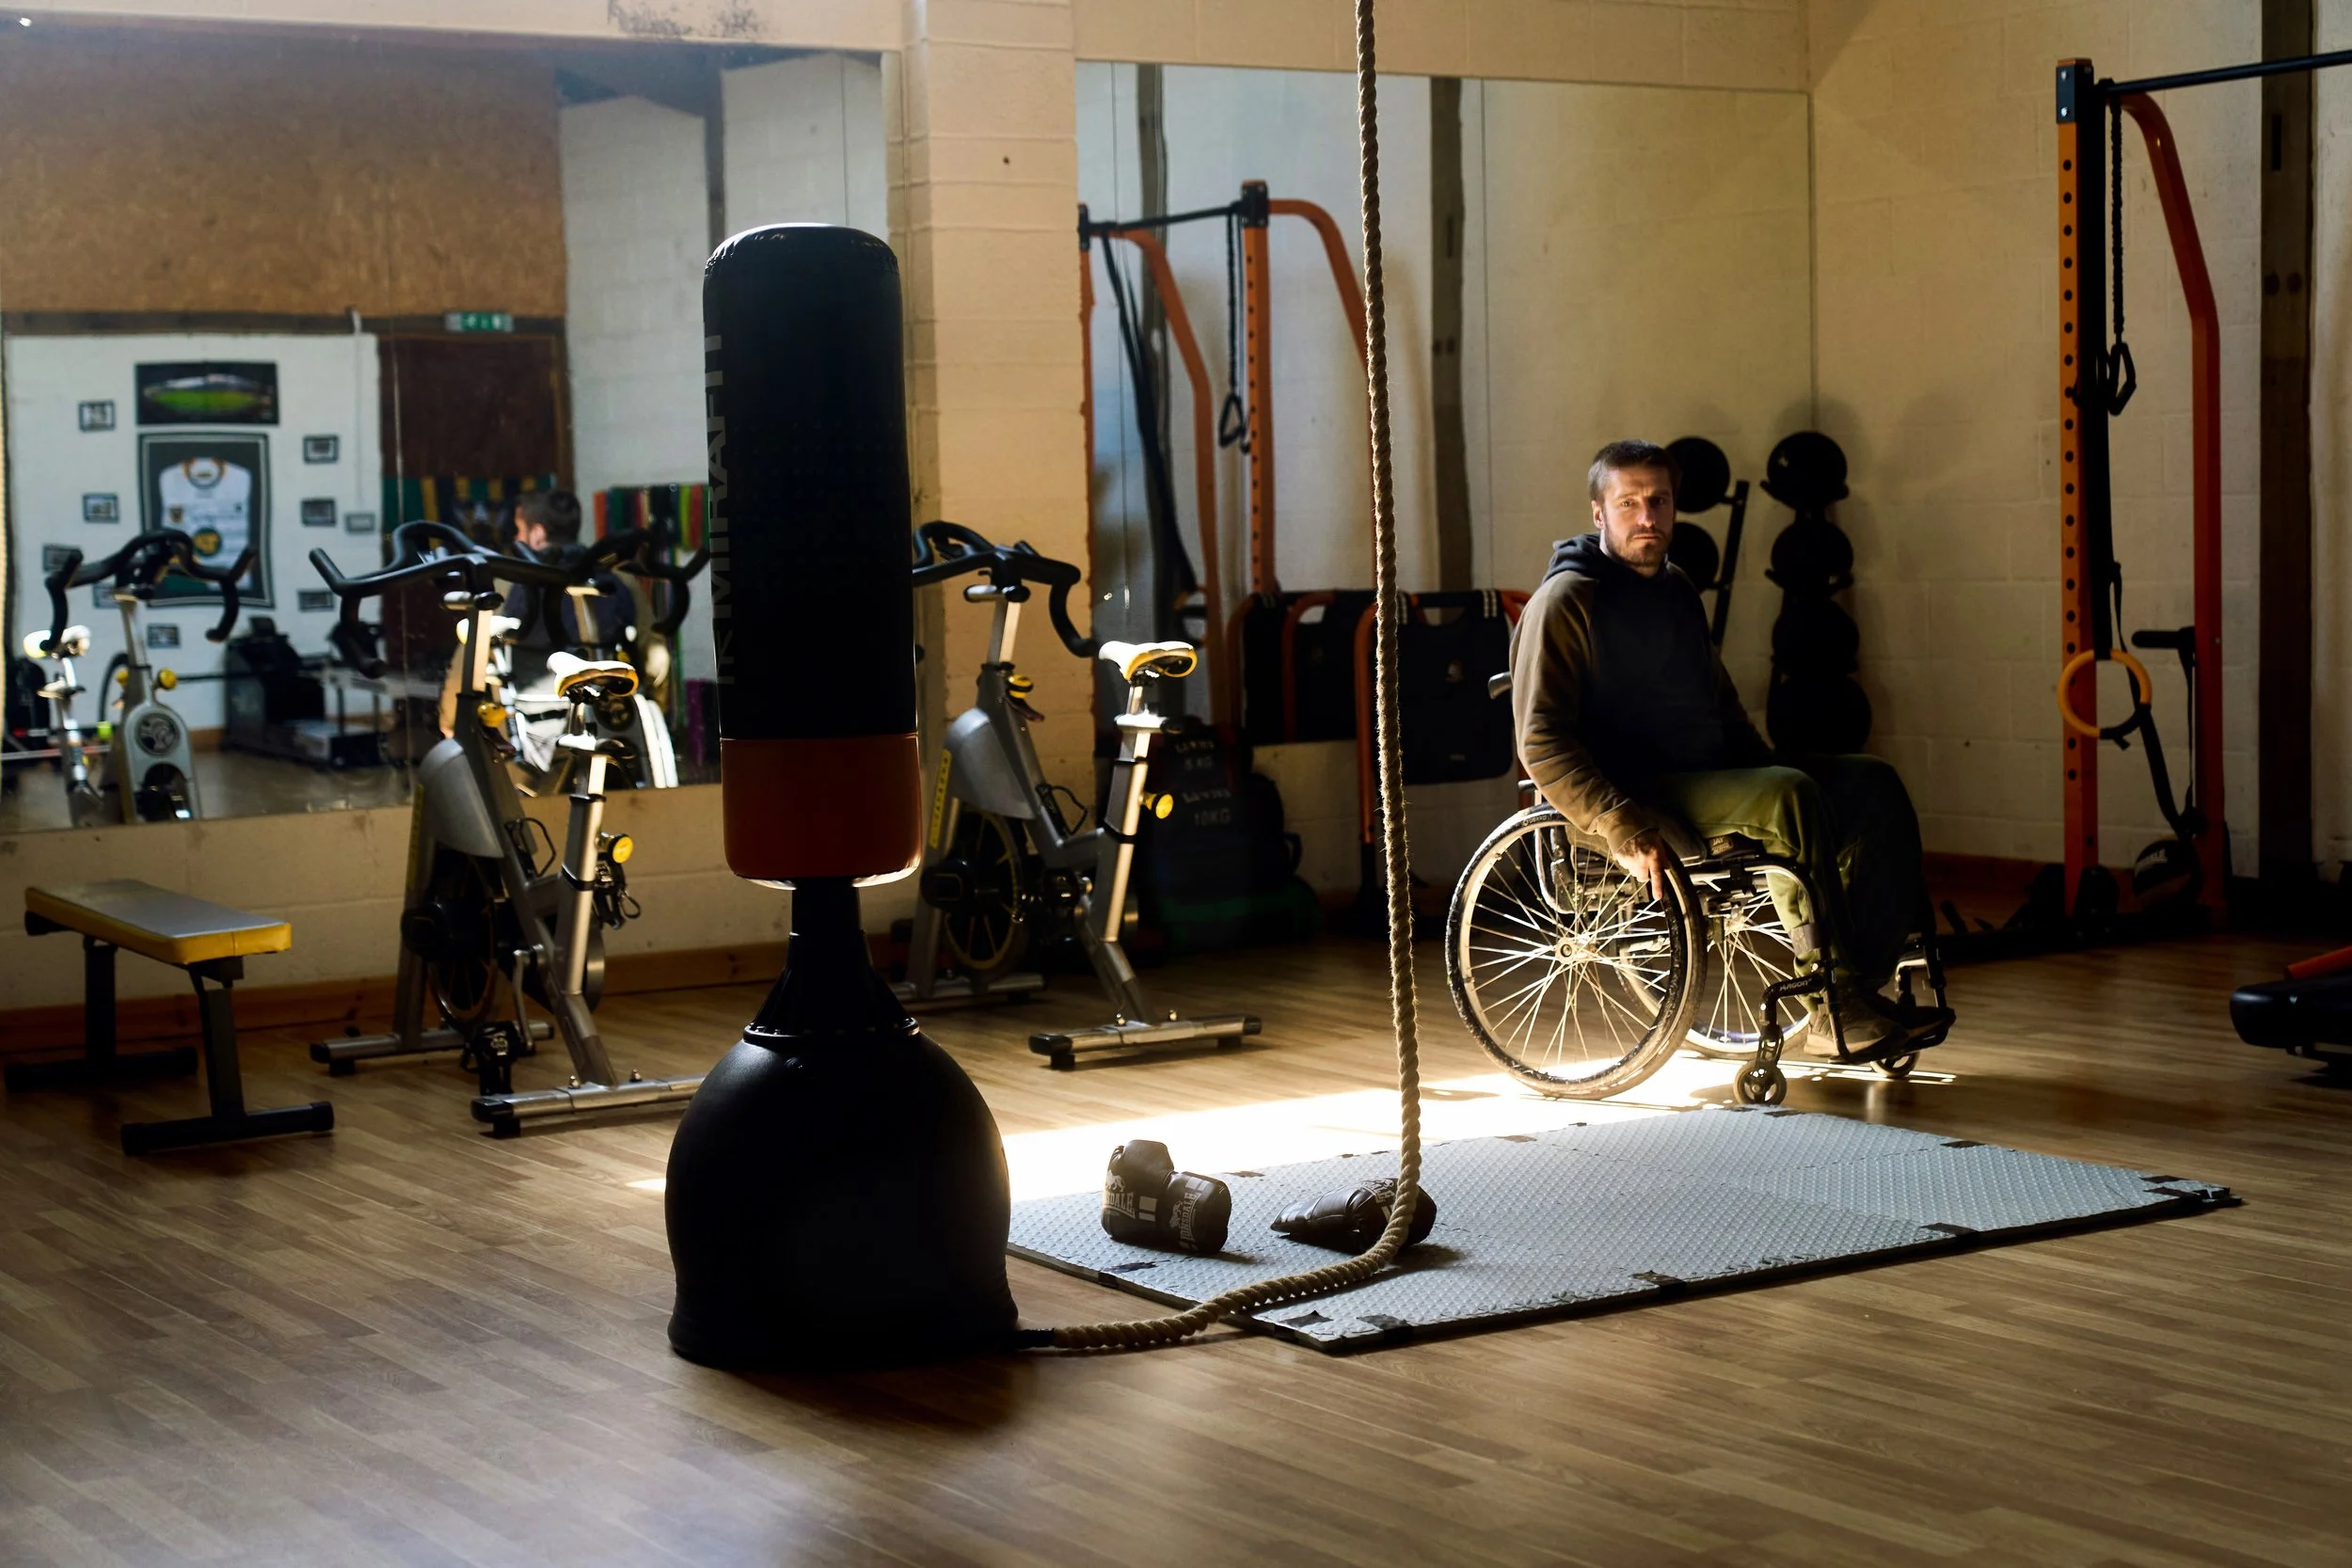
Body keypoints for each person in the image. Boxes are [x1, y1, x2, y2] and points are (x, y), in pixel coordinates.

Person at [1508, 437, 1951, 1055]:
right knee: (1788, 795)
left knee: (1870, 780)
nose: (1647, 517)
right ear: (1598, 514)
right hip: (1638, 791)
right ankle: (1832, 1002)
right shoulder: (1569, 600)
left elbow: (1721, 705)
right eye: (1629, 502)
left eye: (1658, 501)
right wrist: (1617, 820)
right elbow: (1541, 740)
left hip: (1707, 776)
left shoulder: (1677, 589)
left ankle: (1866, 974)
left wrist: (1763, 764)